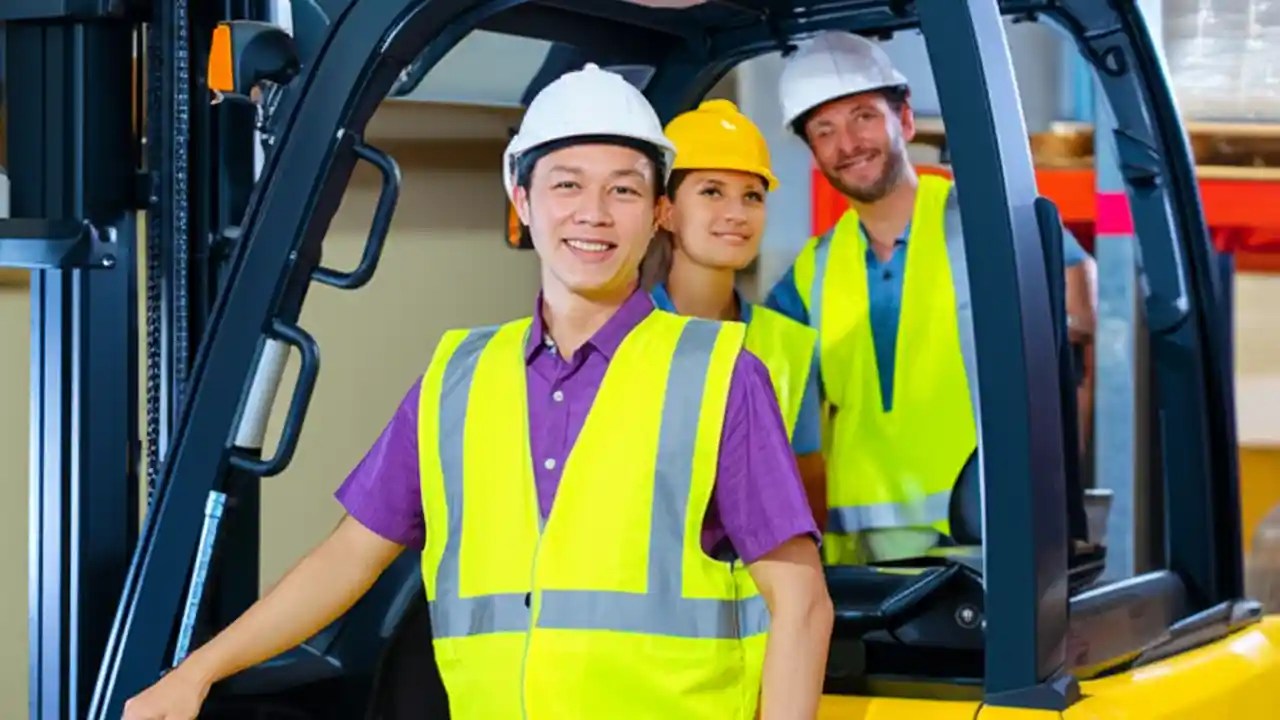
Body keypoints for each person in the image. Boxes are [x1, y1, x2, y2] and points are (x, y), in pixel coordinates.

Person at [122, 63, 833, 720]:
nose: (594, 212)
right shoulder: (458, 377)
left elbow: (800, 602)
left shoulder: (717, 374)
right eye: (566, 184)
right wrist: (198, 672)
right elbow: (347, 559)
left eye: (623, 188)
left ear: (655, 214)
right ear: (521, 200)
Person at [766, 31, 1099, 566]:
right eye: (824, 129)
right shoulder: (808, 274)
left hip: (987, 548)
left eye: (863, 117)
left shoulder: (993, 223)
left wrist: (1057, 496)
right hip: (864, 567)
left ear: (904, 121)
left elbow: (1080, 343)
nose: (847, 143)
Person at [641, 98, 827, 529]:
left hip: (760, 594)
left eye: (752, 196)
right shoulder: (621, 338)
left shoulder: (790, 345)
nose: (736, 214)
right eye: (711, 191)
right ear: (665, 211)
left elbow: (807, 506)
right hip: (653, 593)